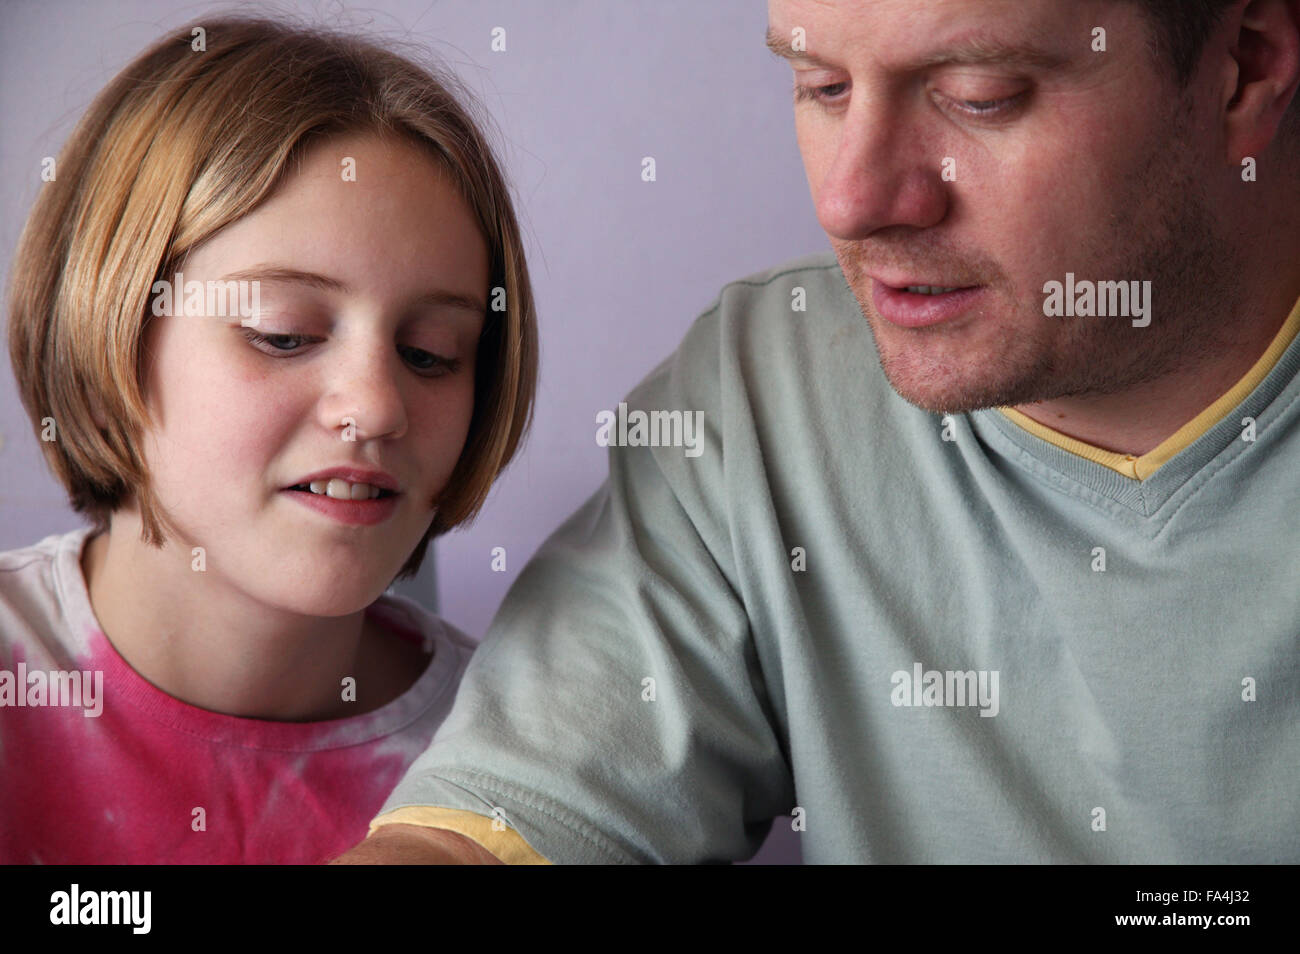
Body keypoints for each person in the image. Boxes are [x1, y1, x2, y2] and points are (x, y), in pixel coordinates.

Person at [338, 0, 1300, 864]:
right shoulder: (759, 393)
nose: (852, 199)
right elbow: (498, 827)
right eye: (822, 85)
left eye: (979, 94)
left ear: (1246, 67)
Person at [0, 17, 538, 863]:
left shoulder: (526, 763)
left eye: (431, 353)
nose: (375, 407)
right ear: (104, 333)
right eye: (282, 333)